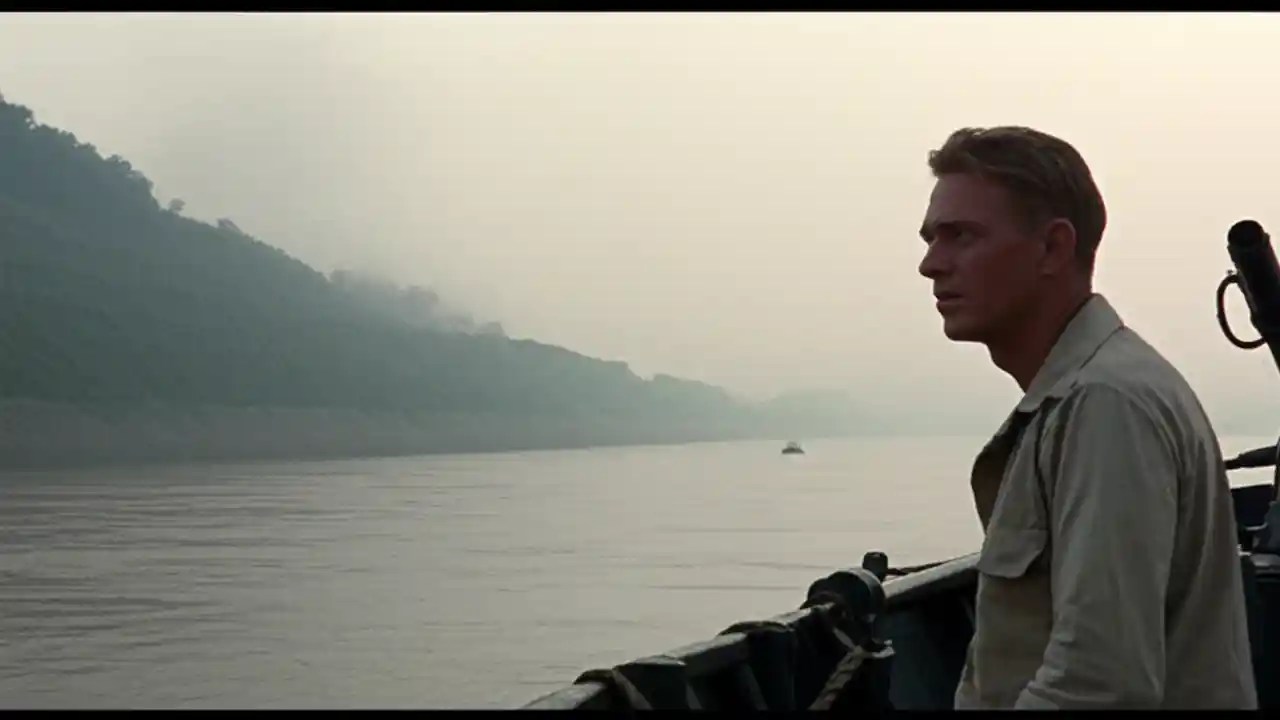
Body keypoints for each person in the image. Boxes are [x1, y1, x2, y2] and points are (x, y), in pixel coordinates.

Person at [916, 126, 1257, 709]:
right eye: (930, 238)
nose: (931, 264)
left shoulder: (1105, 406)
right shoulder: (1084, 396)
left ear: (1052, 248)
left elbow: (1099, 688)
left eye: (960, 236)